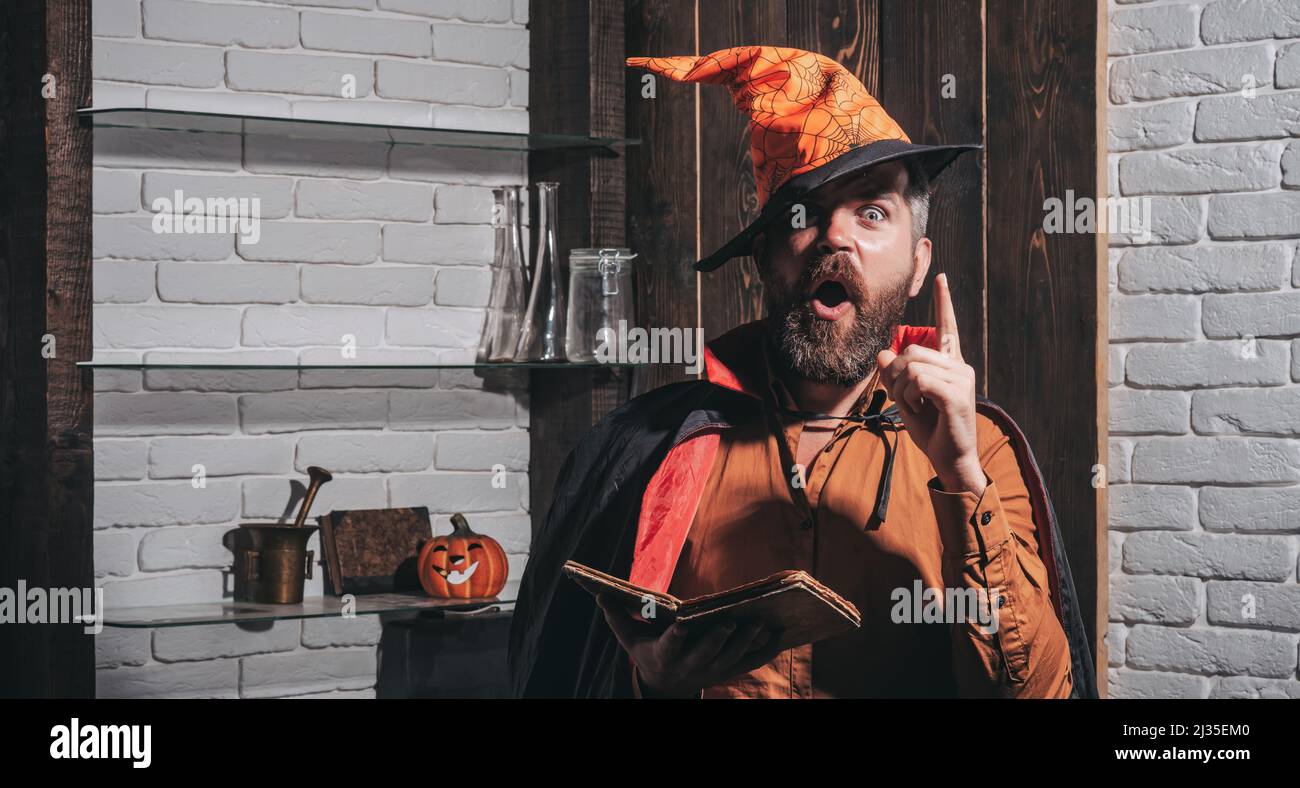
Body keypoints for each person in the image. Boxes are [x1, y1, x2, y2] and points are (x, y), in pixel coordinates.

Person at [508, 46, 1097, 699]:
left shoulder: (982, 450)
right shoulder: (652, 446)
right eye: (804, 213)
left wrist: (960, 475)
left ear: (917, 264)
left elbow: (1035, 692)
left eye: (872, 212)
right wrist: (652, 683)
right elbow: (568, 668)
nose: (834, 237)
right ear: (765, 257)